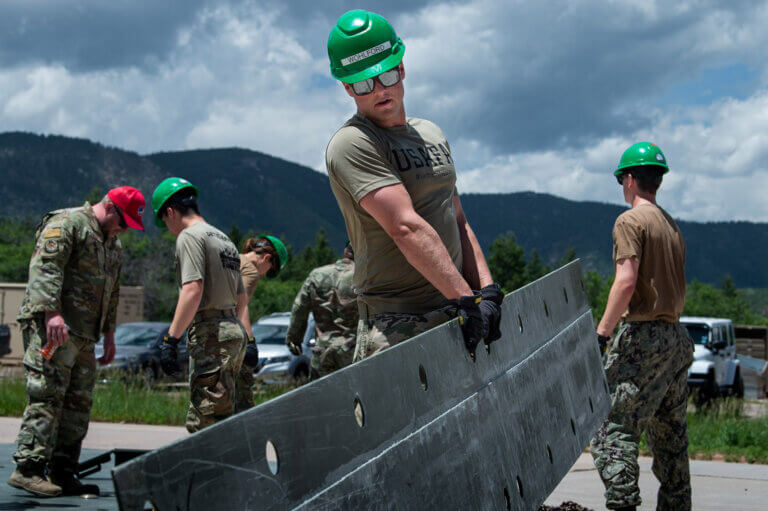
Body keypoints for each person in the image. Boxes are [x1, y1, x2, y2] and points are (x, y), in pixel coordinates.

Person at [325, 10, 502, 361]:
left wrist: (487, 291)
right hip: (397, 323)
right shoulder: (354, 143)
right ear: (347, 88)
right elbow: (404, 226)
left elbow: (457, 217)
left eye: (386, 75)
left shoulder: (432, 134)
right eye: (362, 84)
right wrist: (466, 298)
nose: (378, 90)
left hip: (454, 309)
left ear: (401, 68)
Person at [8, 187, 145, 497]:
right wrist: (52, 313)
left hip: (84, 335)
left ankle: (63, 470)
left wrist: (110, 334)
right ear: (110, 207)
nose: (124, 230)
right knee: (47, 394)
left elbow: (112, 292)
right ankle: (28, 468)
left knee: (78, 403)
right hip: (53, 327)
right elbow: (46, 268)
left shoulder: (112, 244)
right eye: (123, 222)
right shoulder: (67, 223)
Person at [590, 142, 694, 511]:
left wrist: (602, 332)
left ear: (630, 179)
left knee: (613, 432)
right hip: (676, 339)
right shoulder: (671, 225)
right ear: (658, 180)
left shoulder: (629, 221)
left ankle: (623, 505)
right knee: (670, 436)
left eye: (622, 179)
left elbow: (626, 281)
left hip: (643, 338)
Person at [151, 177, 251, 433]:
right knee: (223, 412)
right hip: (232, 329)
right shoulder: (223, 238)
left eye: (164, 221)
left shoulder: (189, 237)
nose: (168, 228)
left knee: (205, 419)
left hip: (212, 334)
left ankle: (209, 473)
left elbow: (192, 289)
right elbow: (241, 297)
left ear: (170, 212)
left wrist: (171, 339)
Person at [286, 242, 357, 380]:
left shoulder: (317, 274)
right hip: (354, 349)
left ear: (345, 251)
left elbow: (299, 307)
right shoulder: (365, 274)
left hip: (323, 349)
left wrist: (294, 338)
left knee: (321, 398)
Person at [234, 235, 288, 412]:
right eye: (270, 270)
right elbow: (240, 306)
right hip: (231, 340)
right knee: (242, 403)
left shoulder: (233, 258)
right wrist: (250, 342)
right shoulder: (250, 270)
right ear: (267, 258)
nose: (265, 274)